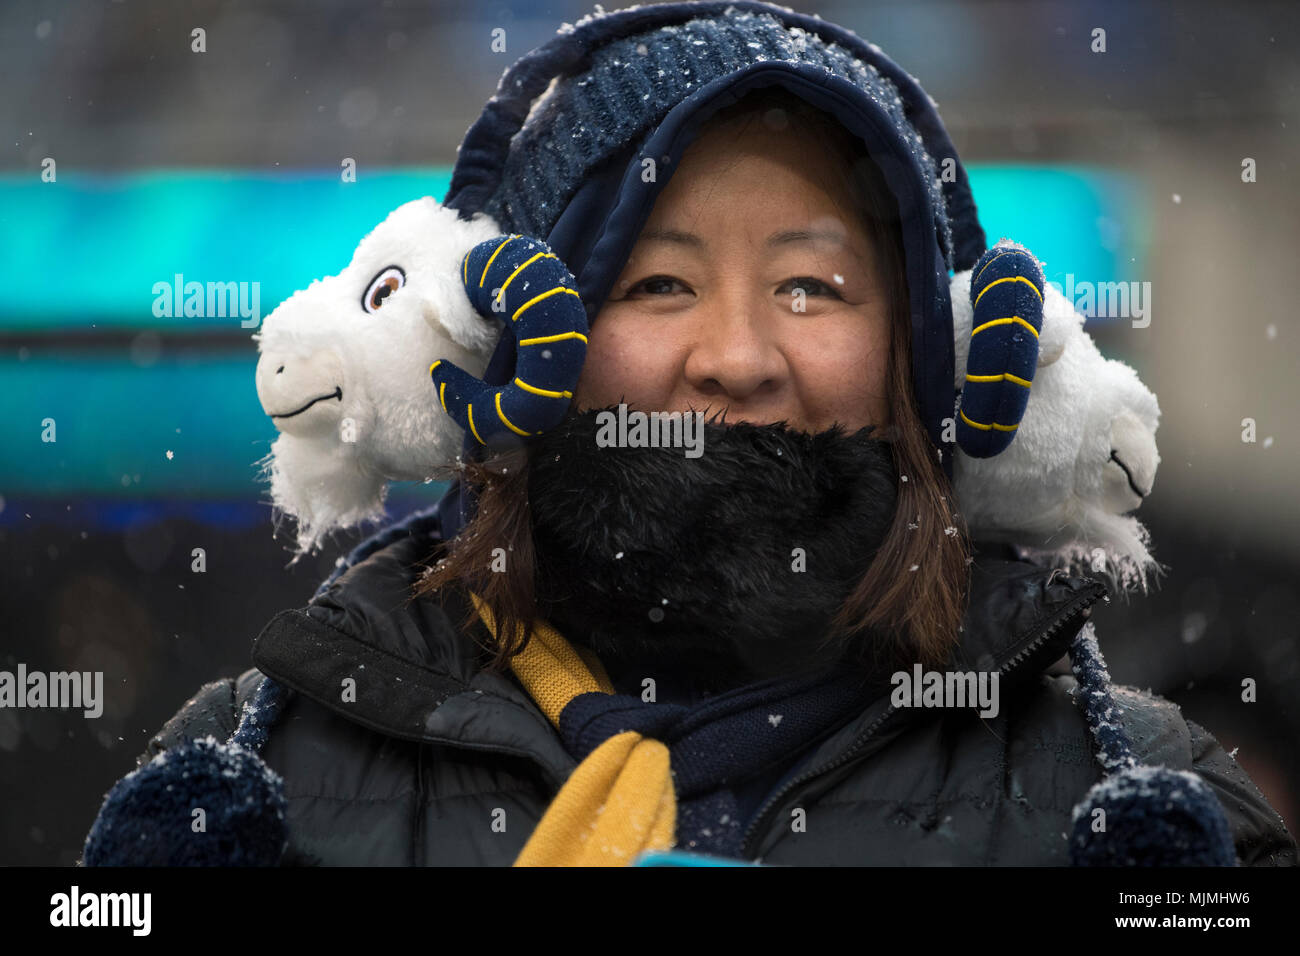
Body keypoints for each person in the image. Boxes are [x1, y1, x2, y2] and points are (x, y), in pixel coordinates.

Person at [83, 0, 1296, 867]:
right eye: (657, 285)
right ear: (506, 340)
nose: (737, 353)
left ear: (930, 358)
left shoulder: (1143, 804)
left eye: (812, 288)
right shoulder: (243, 782)